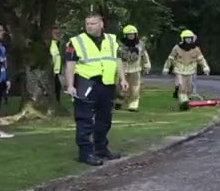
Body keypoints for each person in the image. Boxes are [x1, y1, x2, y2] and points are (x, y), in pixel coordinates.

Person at [64, 13, 129, 166]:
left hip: (106, 84)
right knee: (84, 119)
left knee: (105, 119)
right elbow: (70, 65)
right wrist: (70, 85)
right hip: (86, 83)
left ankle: (101, 148)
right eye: (87, 24)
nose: (90, 26)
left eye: (93, 23)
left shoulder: (112, 40)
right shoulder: (76, 42)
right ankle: (85, 153)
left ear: (101, 24)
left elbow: (117, 59)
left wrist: (122, 78)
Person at [162, 29, 211, 111]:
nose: (188, 40)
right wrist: (166, 68)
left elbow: (201, 59)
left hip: (190, 70)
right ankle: (183, 101)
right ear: (183, 39)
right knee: (181, 86)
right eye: (186, 38)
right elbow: (170, 58)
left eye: (190, 38)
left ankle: (185, 102)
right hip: (179, 69)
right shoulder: (177, 48)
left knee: (188, 88)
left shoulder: (195, 49)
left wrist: (205, 67)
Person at [115, 25, 151, 112]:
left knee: (135, 87)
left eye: (133, 34)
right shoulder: (120, 45)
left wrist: (146, 65)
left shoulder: (140, 44)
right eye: (129, 34)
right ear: (125, 35)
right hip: (123, 69)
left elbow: (144, 55)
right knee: (121, 86)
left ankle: (133, 104)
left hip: (136, 69)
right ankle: (119, 102)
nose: (131, 36)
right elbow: (117, 57)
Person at [49, 26, 64, 103]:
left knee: (58, 88)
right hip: (50, 72)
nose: (58, 35)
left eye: (58, 33)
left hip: (56, 72)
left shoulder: (57, 44)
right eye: (55, 33)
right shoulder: (49, 44)